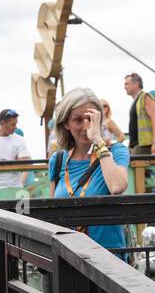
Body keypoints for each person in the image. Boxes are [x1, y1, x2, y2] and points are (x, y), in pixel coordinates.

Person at [47, 87, 130, 251]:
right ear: (66, 124)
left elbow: (117, 186)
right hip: (68, 256)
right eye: (78, 120)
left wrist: (98, 141)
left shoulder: (115, 151)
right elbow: (53, 212)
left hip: (108, 257)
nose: (85, 127)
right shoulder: (57, 160)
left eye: (90, 119)